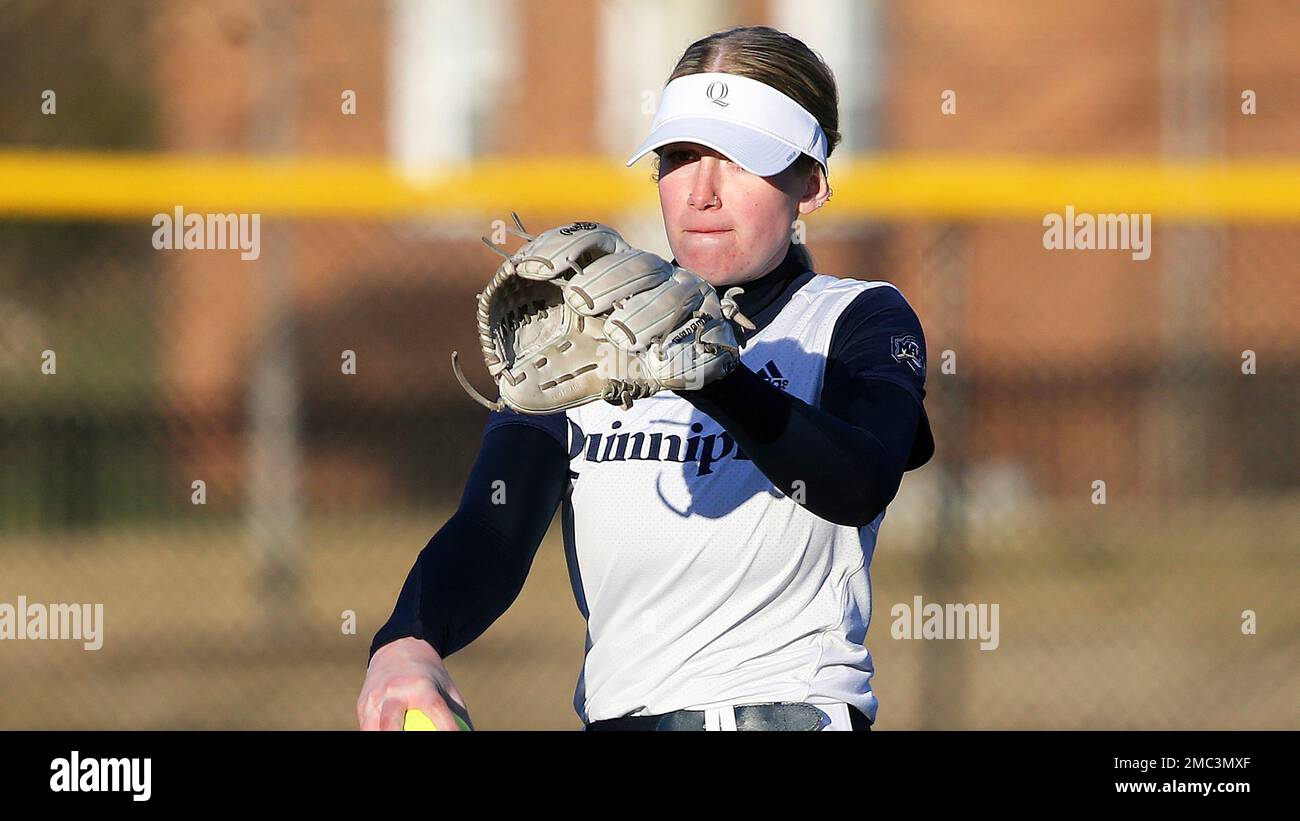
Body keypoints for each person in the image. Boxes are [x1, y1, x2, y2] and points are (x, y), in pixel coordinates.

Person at [357, 24, 934, 732]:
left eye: (739, 159)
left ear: (809, 184)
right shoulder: (585, 326)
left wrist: (714, 377)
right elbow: (492, 529)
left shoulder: (855, 319)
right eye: (681, 157)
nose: (703, 191)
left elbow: (857, 480)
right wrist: (409, 639)